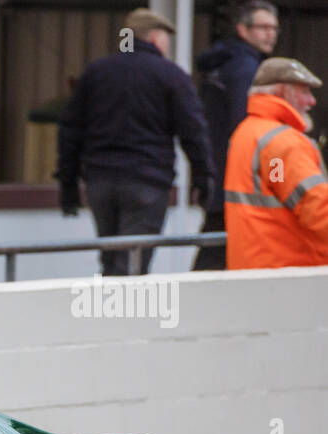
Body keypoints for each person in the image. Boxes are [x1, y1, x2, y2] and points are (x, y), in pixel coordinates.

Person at [57, 8, 213, 276]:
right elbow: (193, 131)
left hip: (100, 182)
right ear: (153, 38)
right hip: (147, 182)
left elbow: (70, 130)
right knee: (133, 263)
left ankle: (108, 314)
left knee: (110, 260)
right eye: (165, 38)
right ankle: (125, 316)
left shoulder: (96, 72)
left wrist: (68, 183)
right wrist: (204, 176)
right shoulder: (170, 75)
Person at [193, 1, 279, 270]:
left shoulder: (223, 64)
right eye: (263, 27)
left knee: (215, 245)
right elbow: (246, 124)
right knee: (222, 250)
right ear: (243, 29)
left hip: (219, 172)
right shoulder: (245, 67)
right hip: (235, 176)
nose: (270, 34)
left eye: (274, 28)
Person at [225, 58, 328, 270]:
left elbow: (277, 184)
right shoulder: (281, 143)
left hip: (256, 269)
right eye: (305, 92)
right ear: (282, 92)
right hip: (291, 272)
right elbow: (318, 208)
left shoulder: (248, 132)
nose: (312, 101)